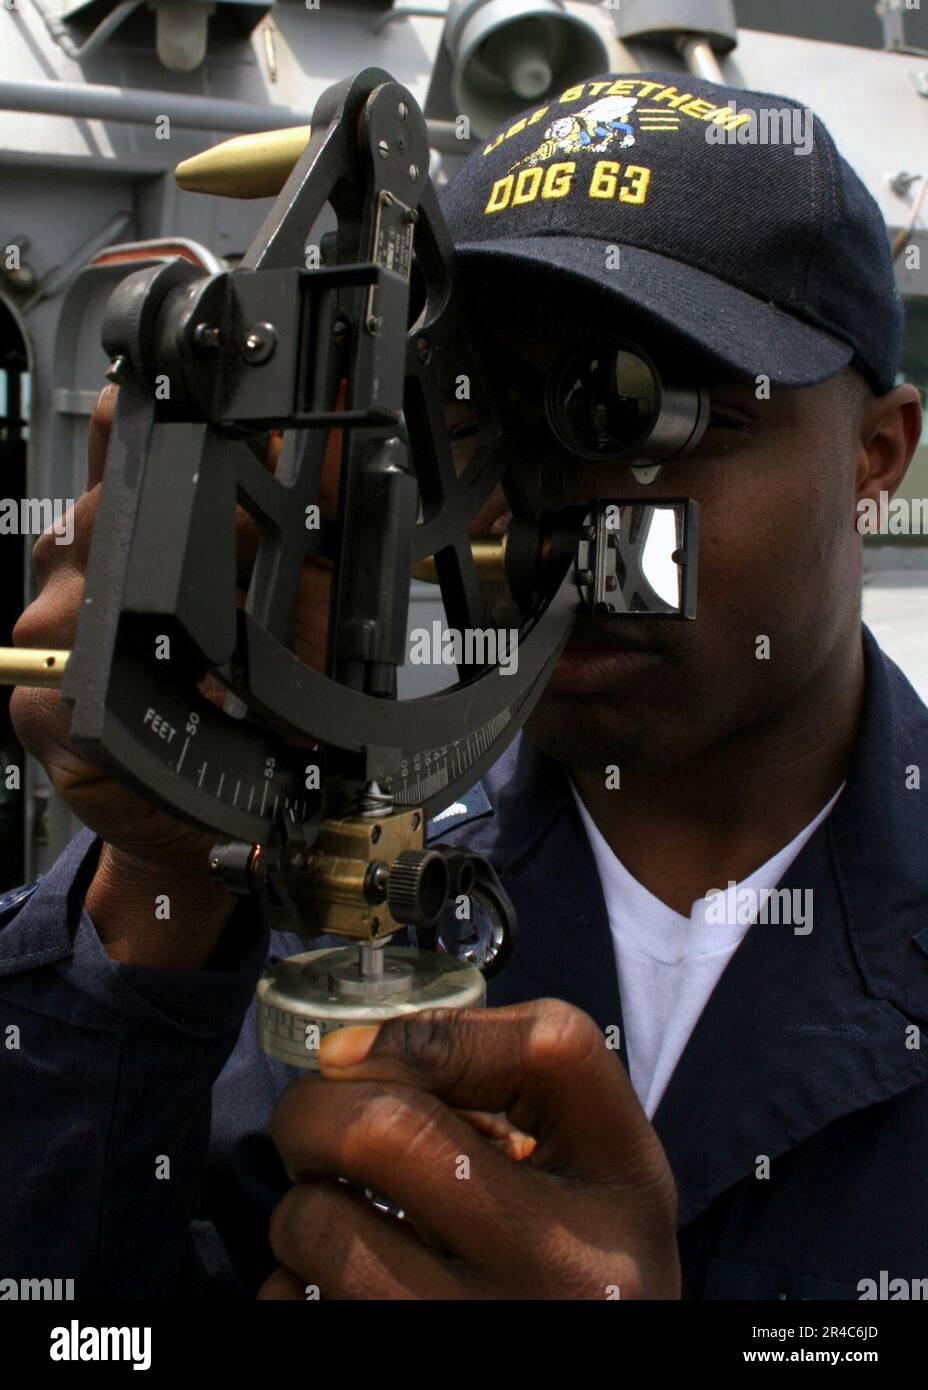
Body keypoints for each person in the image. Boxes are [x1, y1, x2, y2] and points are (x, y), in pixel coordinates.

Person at [0, 71, 924, 1301]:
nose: (555, 510)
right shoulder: (291, 863)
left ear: (877, 456)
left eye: (635, 412)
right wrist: (158, 902)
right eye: (483, 412)